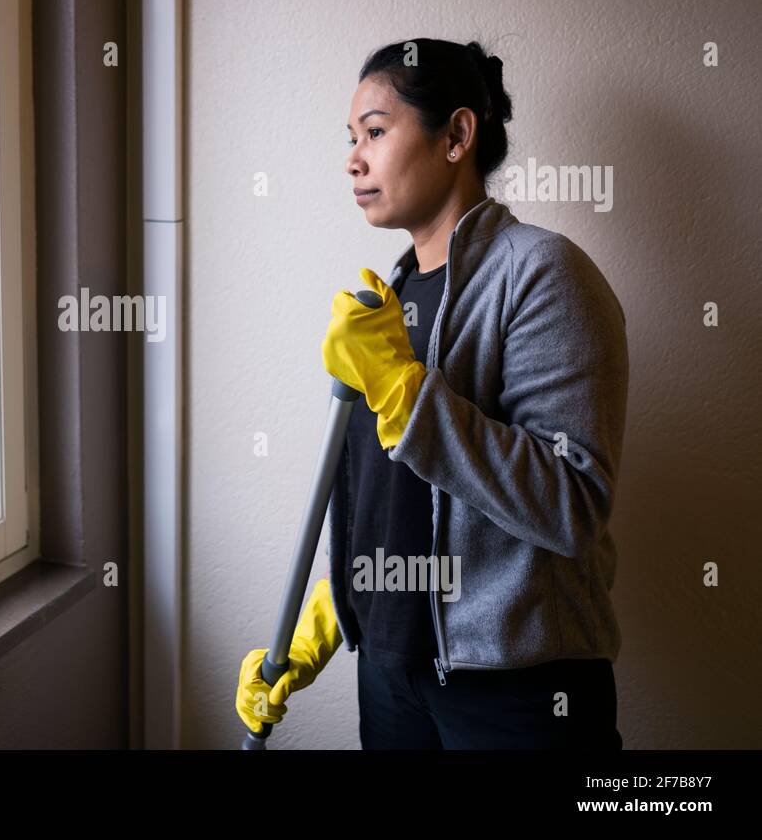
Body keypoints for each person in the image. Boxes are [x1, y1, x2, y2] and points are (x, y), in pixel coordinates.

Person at [236, 38, 628, 749]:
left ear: (456, 135)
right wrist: (333, 607)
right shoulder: (385, 296)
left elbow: (573, 503)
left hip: (517, 688)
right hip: (389, 674)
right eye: (350, 139)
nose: (353, 158)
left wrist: (401, 389)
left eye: (376, 132)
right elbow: (391, 497)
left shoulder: (544, 275)